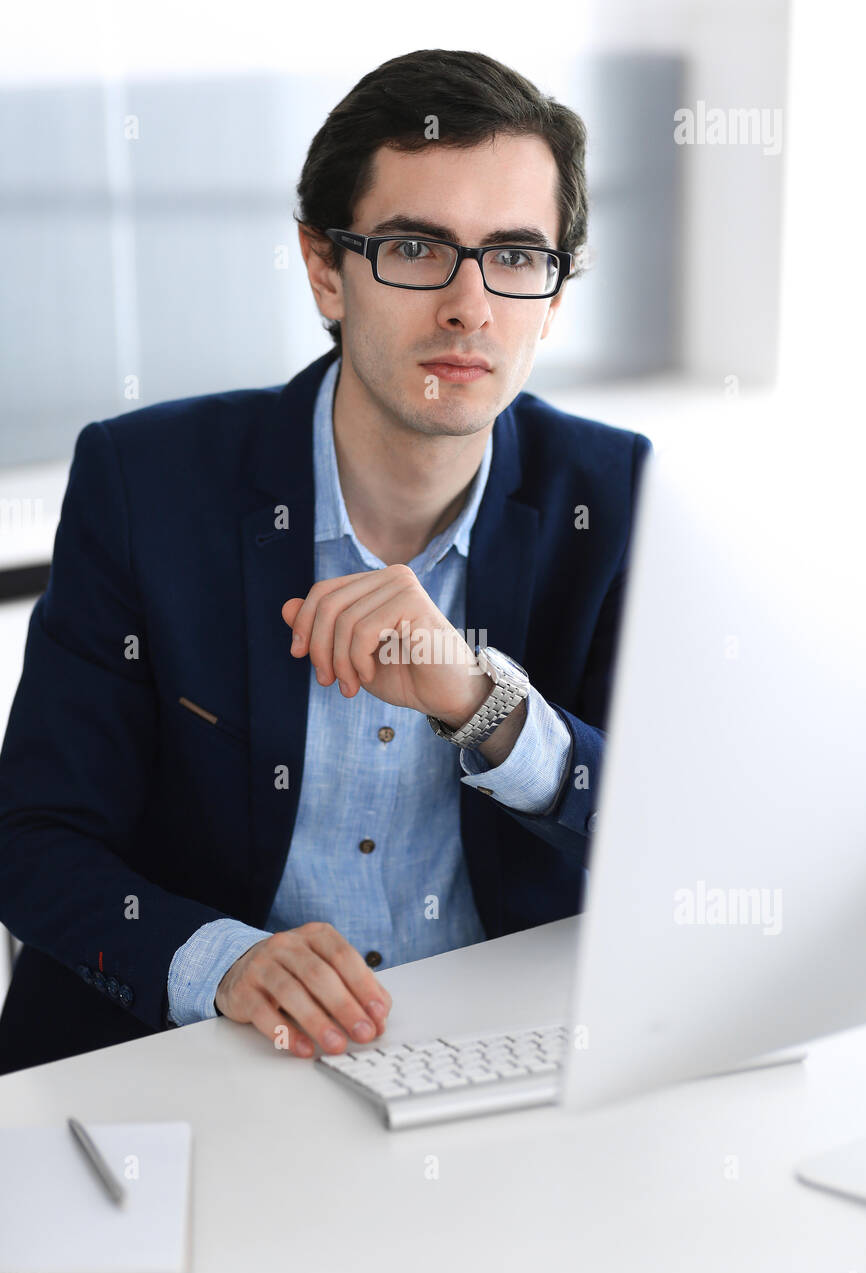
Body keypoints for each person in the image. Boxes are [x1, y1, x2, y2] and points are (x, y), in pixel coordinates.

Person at [0, 48, 651, 1074]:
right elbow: (34, 836)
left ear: (554, 290)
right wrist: (220, 961)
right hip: (202, 1064)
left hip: (489, 1069)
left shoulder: (615, 500)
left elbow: (672, 840)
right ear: (323, 267)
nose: (469, 307)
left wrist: (487, 707)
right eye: (415, 249)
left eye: (515, 257)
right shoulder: (146, 484)